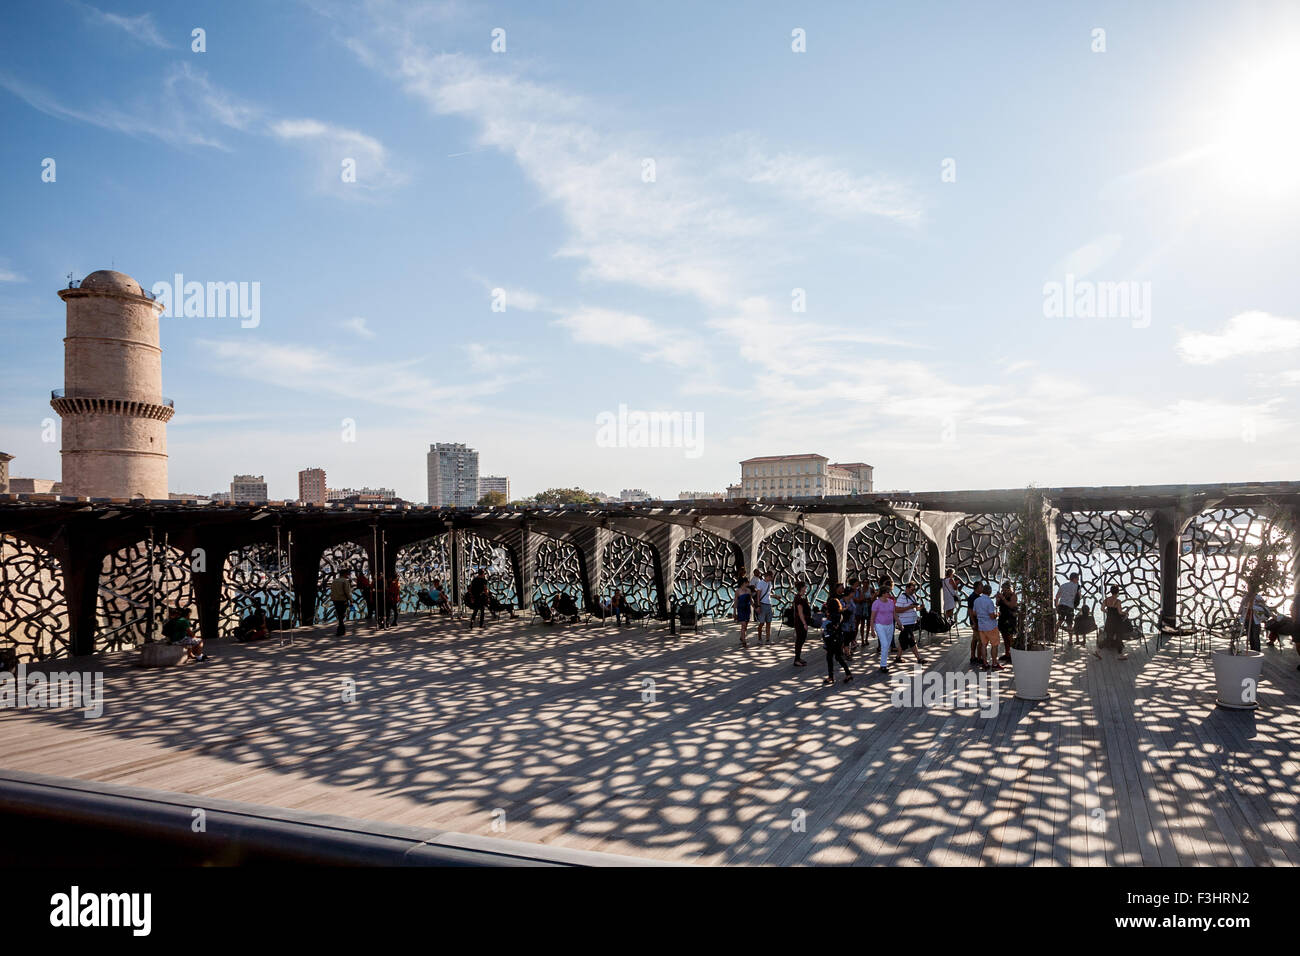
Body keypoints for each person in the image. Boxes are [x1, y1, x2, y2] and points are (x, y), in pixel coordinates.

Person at [821, 585, 853, 685]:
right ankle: (848, 673)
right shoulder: (839, 614)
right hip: (839, 638)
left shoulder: (832, 616)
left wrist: (826, 622)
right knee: (838, 657)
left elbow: (830, 626)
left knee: (829, 658)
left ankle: (831, 677)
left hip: (832, 639)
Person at [870, 578, 897, 674]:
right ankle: (883, 665)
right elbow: (872, 617)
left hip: (890, 625)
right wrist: (872, 630)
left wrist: (899, 623)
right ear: (883, 593)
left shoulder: (891, 602)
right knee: (885, 644)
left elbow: (894, 614)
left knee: (887, 645)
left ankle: (884, 662)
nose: (889, 594)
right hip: (879, 625)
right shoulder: (876, 603)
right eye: (887, 592)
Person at [894, 581, 924, 666]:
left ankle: (898, 657)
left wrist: (921, 608)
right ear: (907, 588)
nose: (913, 591)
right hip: (905, 623)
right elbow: (897, 610)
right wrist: (909, 607)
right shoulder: (902, 597)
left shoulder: (913, 596)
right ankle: (918, 658)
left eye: (914, 590)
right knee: (911, 640)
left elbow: (916, 609)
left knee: (904, 640)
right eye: (912, 590)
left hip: (911, 622)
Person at [973, 582, 1001, 670]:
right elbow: (992, 616)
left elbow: (974, 613)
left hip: (981, 627)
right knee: (994, 645)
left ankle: (985, 663)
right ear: (990, 592)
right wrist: (997, 614)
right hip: (991, 626)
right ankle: (994, 663)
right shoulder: (989, 602)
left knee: (983, 645)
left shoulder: (976, 600)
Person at [1101, 585, 1131, 660]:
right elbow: (1120, 612)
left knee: (1109, 637)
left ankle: (1098, 651)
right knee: (1119, 638)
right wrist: (1126, 612)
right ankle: (1120, 655)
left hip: (1109, 621)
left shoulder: (1106, 600)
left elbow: (1102, 608)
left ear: (1111, 591)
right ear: (1117, 592)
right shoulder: (1118, 601)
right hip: (1117, 622)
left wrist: (1108, 612)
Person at [996, 581, 1018, 663]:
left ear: (1009, 588)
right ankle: (1007, 654)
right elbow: (997, 604)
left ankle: (1013, 655)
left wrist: (1002, 598)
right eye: (1002, 589)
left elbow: (1011, 605)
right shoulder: (1003, 595)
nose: (1003, 591)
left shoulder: (1013, 596)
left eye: (1004, 589)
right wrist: (997, 599)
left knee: (1010, 637)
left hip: (1010, 619)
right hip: (1003, 618)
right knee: (1004, 637)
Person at [751, 570, 774, 644]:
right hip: (762, 604)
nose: (772, 578)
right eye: (771, 577)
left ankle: (768, 639)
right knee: (761, 623)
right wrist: (758, 606)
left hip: (769, 604)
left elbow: (768, 594)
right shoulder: (760, 583)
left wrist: (775, 596)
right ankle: (759, 639)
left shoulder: (770, 583)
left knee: (769, 622)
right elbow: (758, 595)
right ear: (768, 576)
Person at [1056, 572, 1081, 639]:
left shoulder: (1063, 585)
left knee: (1060, 621)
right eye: (1077, 578)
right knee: (1070, 624)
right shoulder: (1077, 587)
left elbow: (1057, 596)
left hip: (1061, 606)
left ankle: (1053, 635)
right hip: (1070, 607)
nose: (1078, 580)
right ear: (1074, 578)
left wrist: (1057, 605)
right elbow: (1079, 597)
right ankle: (1070, 640)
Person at [791, 583, 811, 667]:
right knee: (799, 640)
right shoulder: (798, 598)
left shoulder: (801, 597)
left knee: (801, 640)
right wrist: (804, 623)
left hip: (801, 621)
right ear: (801, 588)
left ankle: (798, 658)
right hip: (800, 622)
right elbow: (800, 612)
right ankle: (796, 660)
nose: (806, 588)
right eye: (805, 587)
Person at [966, 578, 984, 665]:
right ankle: (978, 658)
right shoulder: (972, 597)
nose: (982, 588)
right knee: (980, 640)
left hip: (977, 621)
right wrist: (974, 623)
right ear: (977, 588)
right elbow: (970, 611)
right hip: (975, 622)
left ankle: (973, 656)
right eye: (981, 587)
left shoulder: (978, 597)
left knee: (975, 639)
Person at [330, 569, 352, 636]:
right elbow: (347, 592)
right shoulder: (345, 581)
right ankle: (341, 630)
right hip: (342, 600)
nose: (348, 575)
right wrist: (351, 600)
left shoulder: (334, 581)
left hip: (335, 600)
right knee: (342, 615)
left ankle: (341, 630)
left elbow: (332, 590)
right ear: (345, 574)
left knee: (340, 615)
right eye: (347, 574)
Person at [735, 575, 754, 648]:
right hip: (741, 609)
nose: (749, 583)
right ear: (744, 583)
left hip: (747, 609)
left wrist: (755, 608)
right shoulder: (738, 591)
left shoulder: (749, 590)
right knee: (743, 625)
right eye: (747, 582)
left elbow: (751, 600)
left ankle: (741, 637)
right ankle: (744, 641)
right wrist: (734, 612)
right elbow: (736, 602)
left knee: (745, 625)